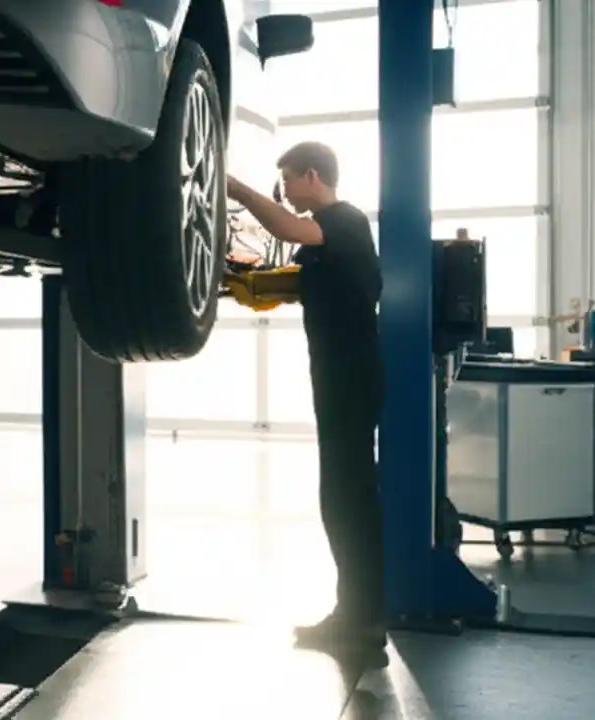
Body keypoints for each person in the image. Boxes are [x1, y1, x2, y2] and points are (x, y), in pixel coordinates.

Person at [226, 142, 386, 663]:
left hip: (350, 380)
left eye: (288, 182)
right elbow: (299, 278)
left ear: (312, 176)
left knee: (348, 500)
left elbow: (287, 229)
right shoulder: (330, 238)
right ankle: (354, 614)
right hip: (340, 380)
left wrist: (238, 191)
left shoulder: (343, 219)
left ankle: (362, 623)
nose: (287, 194)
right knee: (341, 497)